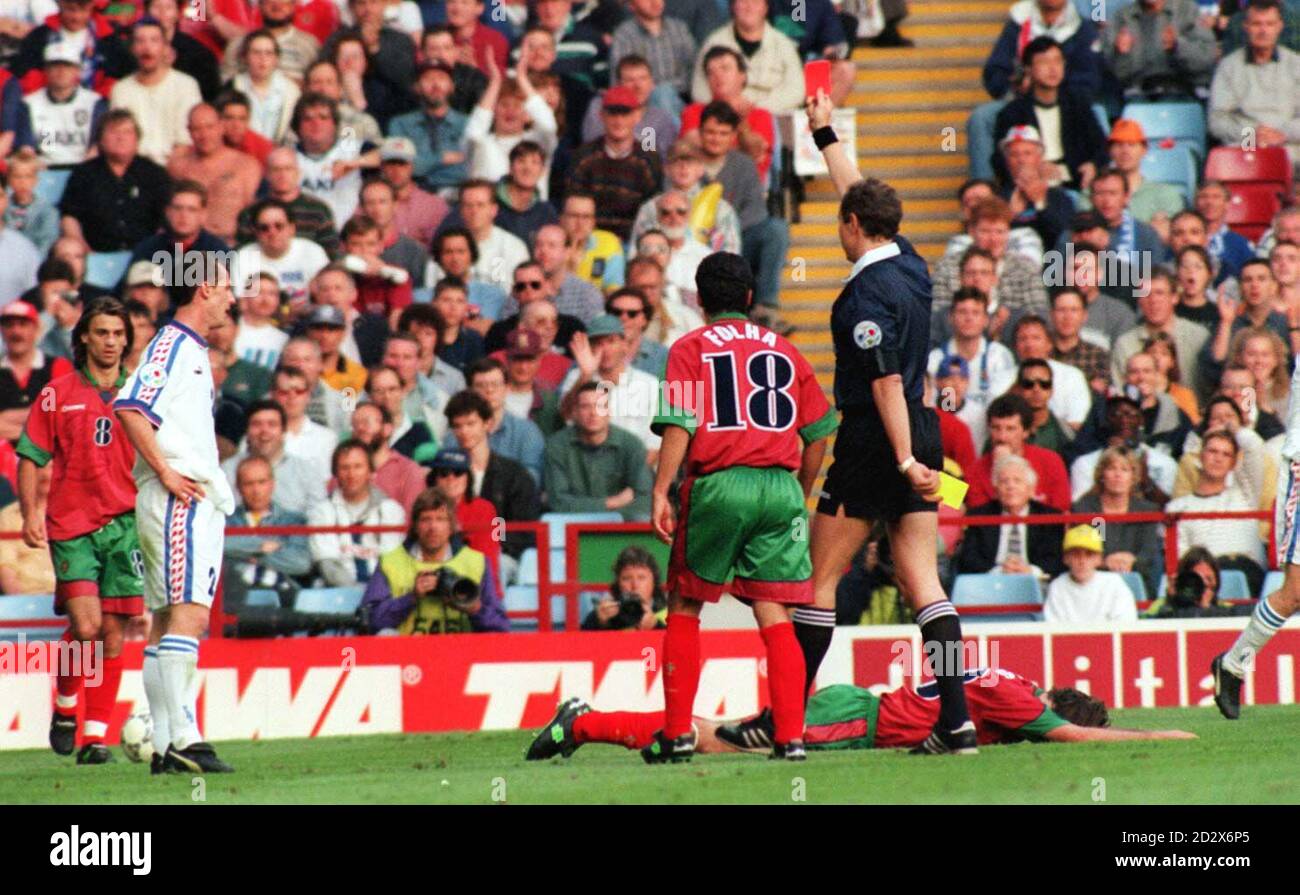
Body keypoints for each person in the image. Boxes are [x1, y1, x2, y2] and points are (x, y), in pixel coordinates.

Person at [796, 91, 978, 755]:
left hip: (880, 439)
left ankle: (785, 718)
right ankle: (955, 720)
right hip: (924, 425)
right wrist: (824, 132)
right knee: (923, 582)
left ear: (849, 226)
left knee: (816, 580)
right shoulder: (910, 263)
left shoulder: (864, 296)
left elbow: (881, 384)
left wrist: (903, 460)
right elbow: (857, 192)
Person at [645, 251, 836, 762]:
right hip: (779, 487)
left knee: (686, 605)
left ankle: (678, 733)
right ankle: (791, 737)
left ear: (701, 300)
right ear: (750, 298)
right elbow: (819, 430)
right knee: (775, 611)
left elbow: (682, 422)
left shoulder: (690, 348)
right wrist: (800, 486)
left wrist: (663, 489)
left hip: (720, 485)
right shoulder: (786, 351)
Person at [112, 263, 236, 774]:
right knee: (189, 613)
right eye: (227, 288)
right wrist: (164, 471)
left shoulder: (192, 350)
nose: (231, 300)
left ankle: (165, 743)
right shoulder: (172, 346)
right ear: (205, 288)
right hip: (179, 498)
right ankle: (186, 734)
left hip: (183, 497)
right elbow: (131, 406)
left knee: (165, 621)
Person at [527, 667, 1195, 761]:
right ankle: (582, 722)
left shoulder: (1007, 682)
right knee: (712, 742)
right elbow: (1074, 735)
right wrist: (1163, 732)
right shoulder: (1022, 703)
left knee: (714, 730)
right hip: (862, 722)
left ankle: (593, 718)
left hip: (859, 705)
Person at [16, 297, 138, 765]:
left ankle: (95, 736)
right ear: (84, 336)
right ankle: (66, 703)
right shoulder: (57, 392)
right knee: (85, 626)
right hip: (72, 523)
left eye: (117, 333)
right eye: (101, 332)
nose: (109, 341)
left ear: (126, 339)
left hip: (126, 526)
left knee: (112, 633)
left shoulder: (141, 391)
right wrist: (30, 513)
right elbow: (31, 455)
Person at [360, 486, 508, 634]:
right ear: (415, 526)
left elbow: (501, 626)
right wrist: (411, 598)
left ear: (451, 526)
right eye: (426, 519)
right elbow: (370, 621)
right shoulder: (390, 562)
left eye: (440, 519)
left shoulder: (477, 562)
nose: (433, 527)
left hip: (461, 651)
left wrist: (474, 609)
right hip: (406, 651)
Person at [991, 37, 1107, 191]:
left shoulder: (1078, 106)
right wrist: (1033, 169)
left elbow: (1102, 146)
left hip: (1076, 183)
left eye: (1058, 61)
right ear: (1028, 69)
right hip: (1032, 186)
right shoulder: (1013, 113)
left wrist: (1093, 165)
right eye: (1044, 62)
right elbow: (1000, 160)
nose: (1053, 69)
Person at [441, 389, 541, 565]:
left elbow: (522, 529)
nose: (464, 431)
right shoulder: (443, 474)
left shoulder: (514, 474)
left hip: (501, 554)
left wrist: (489, 542)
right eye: (457, 426)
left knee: (495, 564)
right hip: (452, 552)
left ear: (487, 424)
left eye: (471, 424)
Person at [1165, 428, 1268, 594]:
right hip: (1205, 580)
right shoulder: (1177, 507)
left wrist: (1232, 427)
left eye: (1226, 454)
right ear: (1200, 456)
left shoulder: (1245, 492)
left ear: (1234, 463)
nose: (1218, 458)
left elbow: (1254, 446)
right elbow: (1180, 557)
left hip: (1250, 573)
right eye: (1213, 451)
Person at [58, 109, 170, 253]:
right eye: (113, 132)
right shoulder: (83, 174)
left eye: (127, 132)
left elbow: (166, 219)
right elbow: (69, 217)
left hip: (146, 255)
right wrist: (82, 246)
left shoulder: (155, 174)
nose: (120, 137)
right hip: (94, 254)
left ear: (137, 139)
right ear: (101, 140)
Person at [1208, 0, 1300, 170]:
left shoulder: (1296, 65)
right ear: (1246, 26)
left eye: (1270, 24)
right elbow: (1217, 121)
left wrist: (1282, 135)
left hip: (1289, 144)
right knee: (1230, 160)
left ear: (1279, 26)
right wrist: (1252, 135)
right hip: (1245, 143)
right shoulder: (1228, 66)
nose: (1263, 31)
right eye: (1257, 24)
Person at [567, 85, 663, 243]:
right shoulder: (583, 156)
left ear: (637, 116)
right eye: (612, 114)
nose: (618, 121)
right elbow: (574, 206)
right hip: (589, 239)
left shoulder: (649, 159)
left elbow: (651, 212)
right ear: (601, 115)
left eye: (625, 114)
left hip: (633, 241)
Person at [545, 381, 653, 521]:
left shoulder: (631, 445)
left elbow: (644, 501)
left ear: (609, 411)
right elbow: (558, 503)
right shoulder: (557, 446)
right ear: (575, 412)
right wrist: (612, 502)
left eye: (601, 406)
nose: (593, 413)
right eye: (585, 406)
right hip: (570, 527)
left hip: (621, 529)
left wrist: (608, 517)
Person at [306, 438, 405, 587]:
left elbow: (391, 561)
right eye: (344, 468)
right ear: (336, 473)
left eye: (358, 466)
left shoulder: (391, 510)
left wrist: (374, 595)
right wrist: (356, 594)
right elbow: (328, 565)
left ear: (370, 471)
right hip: (338, 595)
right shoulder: (321, 511)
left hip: (383, 593)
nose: (351, 474)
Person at [559, 314, 661, 457]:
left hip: (634, 467)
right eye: (598, 343)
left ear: (624, 345)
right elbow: (566, 417)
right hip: (587, 464)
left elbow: (655, 442)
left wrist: (635, 473)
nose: (605, 349)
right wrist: (586, 375)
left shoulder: (649, 384)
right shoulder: (577, 376)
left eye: (611, 341)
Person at [955, 453, 1066, 579]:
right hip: (991, 582)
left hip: (1036, 583)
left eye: (1017, 481)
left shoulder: (1050, 517)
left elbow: (1056, 559)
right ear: (996, 490)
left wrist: (1031, 571)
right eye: (1004, 481)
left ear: (1031, 489)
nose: (1010, 486)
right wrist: (999, 571)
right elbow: (969, 559)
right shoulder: (979, 516)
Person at [109, 18, 202, 166]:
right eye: (140, 41)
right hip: (133, 168)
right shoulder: (121, 89)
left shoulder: (186, 85)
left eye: (154, 40)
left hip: (176, 167)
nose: (147, 47)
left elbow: (186, 142)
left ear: (165, 47)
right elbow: (120, 140)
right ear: (132, 48)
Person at [1072, 445, 1164, 596]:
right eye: (1112, 468)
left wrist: (1131, 560)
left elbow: (1148, 550)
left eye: (1124, 469)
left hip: (1137, 578)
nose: (1117, 475)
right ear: (1102, 475)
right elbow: (1093, 547)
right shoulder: (1089, 509)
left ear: (1133, 477)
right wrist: (1106, 561)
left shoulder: (1146, 510)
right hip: (1095, 581)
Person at [166, 104, 260, 246]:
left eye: (210, 127)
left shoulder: (246, 165)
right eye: (197, 129)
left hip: (231, 245)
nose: (204, 135)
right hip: (189, 246)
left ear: (221, 126)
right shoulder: (178, 166)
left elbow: (255, 213)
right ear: (189, 131)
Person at [690, 0, 803, 114]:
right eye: (743, 1)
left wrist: (756, 109)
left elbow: (796, 91)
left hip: (772, 117)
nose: (749, 7)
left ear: (766, 8)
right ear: (732, 6)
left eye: (756, 2)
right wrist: (726, 109)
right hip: (724, 121)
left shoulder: (784, 44)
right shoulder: (713, 42)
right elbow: (699, 91)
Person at [219, 398, 326, 516]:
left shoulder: (307, 471)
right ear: (247, 432)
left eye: (272, 424)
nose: (264, 431)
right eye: (257, 424)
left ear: (284, 431)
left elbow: (319, 515)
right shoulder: (227, 471)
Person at [1111, 270, 1210, 396]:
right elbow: (1120, 390)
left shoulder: (1198, 336)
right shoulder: (1125, 343)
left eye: (1160, 293)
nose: (1153, 300)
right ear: (1139, 300)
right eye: (1146, 294)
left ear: (1174, 297)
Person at [223, 454, 312, 595]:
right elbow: (220, 545)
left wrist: (247, 555)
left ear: (272, 483)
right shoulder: (225, 521)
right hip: (236, 596)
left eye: (261, 482)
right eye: (249, 484)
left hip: (282, 598)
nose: (256, 491)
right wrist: (260, 546)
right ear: (238, 487)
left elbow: (301, 563)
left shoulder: (293, 520)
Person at [966, 393, 1072, 509]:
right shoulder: (975, 470)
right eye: (996, 428)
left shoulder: (1051, 462)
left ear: (1026, 431)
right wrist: (1001, 470)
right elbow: (981, 519)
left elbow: (1061, 513)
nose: (1002, 437)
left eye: (1010, 429)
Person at [232, 147, 339, 256]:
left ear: (298, 173)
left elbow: (332, 254)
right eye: (276, 169)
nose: (282, 175)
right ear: (267, 174)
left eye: (288, 169)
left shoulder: (319, 210)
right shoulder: (250, 213)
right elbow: (243, 254)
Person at [386, 60, 470, 193]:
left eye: (441, 78)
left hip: (459, 192)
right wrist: (442, 158)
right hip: (414, 192)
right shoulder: (400, 123)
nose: (436, 85)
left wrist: (423, 161)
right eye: (428, 79)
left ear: (451, 86)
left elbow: (464, 169)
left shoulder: (467, 123)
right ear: (417, 87)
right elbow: (402, 168)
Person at [23, 40, 107, 169]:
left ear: (78, 70)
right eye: (55, 65)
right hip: (43, 170)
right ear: (45, 70)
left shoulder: (94, 103)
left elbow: (99, 145)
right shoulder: (30, 103)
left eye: (67, 66)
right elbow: (27, 148)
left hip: (85, 170)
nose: (61, 71)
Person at [1104, 0, 1217, 97]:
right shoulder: (1122, 17)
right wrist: (1120, 54)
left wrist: (1178, 46)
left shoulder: (1188, 10)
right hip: (1137, 97)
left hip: (1186, 94)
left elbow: (1206, 58)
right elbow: (1115, 74)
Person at [0, 301, 74, 444]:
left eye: (23, 325)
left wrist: (6, 417)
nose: (16, 332)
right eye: (9, 325)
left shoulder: (58, 366)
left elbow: (60, 417)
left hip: (48, 460)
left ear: (36, 329)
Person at [425, 447, 501, 583]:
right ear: (434, 478)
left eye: (458, 472)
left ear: (468, 477)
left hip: (474, 584)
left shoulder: (486, 509)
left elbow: (487, 558)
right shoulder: (423, 508)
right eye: (444, 473)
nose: (451, 478)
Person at [1043, 524, 1140, 623]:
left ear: (1099, 559)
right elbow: (1053, 628)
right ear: (1066, 558)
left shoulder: (1114, 584)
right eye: (1076, 554)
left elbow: (1126, 624)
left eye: (1089, 554)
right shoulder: (1058, 586)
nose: (1082, 561)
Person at [228, 29, 300, 144]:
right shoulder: (233, 86)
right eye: (256, 53)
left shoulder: (291, 91)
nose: (263, 59)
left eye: (268, 53)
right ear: (245, 57)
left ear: (276, 59)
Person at [379, 136, 450, 249]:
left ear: (412, 166)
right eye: (391, 163)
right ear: (382, 166)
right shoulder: (369, 201)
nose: (396, 170)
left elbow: (442, 247)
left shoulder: (434, 205)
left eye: (402, 164)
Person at [581, 545, 665, 631]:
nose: (634, 585)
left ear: (654, 581)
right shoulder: (609, 613)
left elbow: (676, 640)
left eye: (641, 578)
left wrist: (656, 626)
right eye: (627, 578)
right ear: (618, 583)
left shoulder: (668, 613)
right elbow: (578, 641)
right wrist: (597, 621)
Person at [1050, 286, 1112, 394]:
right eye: (1061, 310)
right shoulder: (1041, 351)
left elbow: (1101, 393)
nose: (1067, 317)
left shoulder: (1098, 355)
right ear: (1052, 315)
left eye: (1074, 310)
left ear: (1084, 316)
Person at [562, 192, 624, 293]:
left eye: (586, 217)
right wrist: (568, 271)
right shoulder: (550, 243)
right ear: (562, 219)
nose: (580, 223)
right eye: (574, 216)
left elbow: (613, 293)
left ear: (593, 221)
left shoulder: (609, 243)